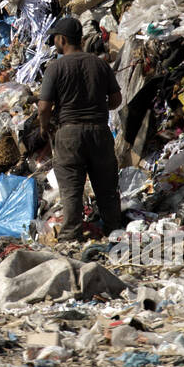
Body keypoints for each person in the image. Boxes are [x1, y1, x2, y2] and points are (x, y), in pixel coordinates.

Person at [37, 16, 123, 242]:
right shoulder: (100, 63)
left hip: (69, 134)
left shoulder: (56, 68)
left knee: (71, 188)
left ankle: (70, 235)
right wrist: (96, 106)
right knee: (106, 187)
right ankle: (114, 229)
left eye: (55, 38)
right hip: (99, 131)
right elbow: (116, 100)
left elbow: (44, 106)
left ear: (62, 39)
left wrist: (44, 128)